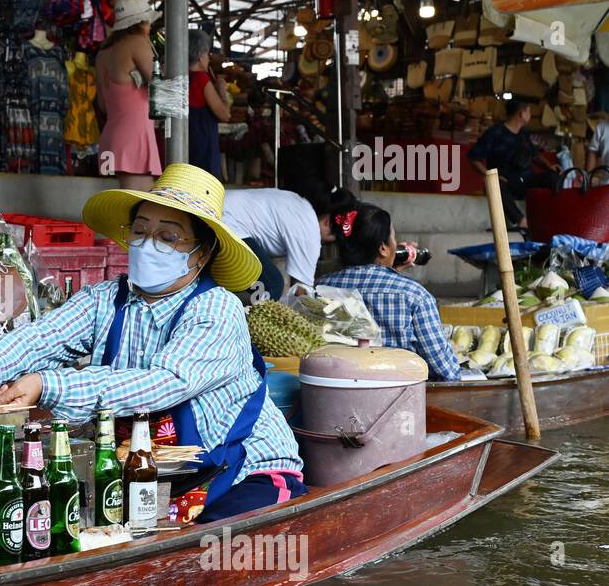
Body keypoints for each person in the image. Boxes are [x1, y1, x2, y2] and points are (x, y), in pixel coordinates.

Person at [0, 164, 305, 522]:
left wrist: (50, 385)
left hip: (242, 470)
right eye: (140, 230)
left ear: (200, 254)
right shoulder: (106, 299)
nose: (148, 243)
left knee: (205, 552)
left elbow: (164, 382)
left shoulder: (217, 309)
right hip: (153, 473)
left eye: (168, 237)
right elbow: (41, 337)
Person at [317, 203, 460, 381]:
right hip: (398, 400)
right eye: (393, 237)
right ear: (383, 248)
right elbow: (446, 371)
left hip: (334, 394)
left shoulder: (320, 288)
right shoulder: (414, 296)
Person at [222, 185, 357, 300]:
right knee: (272, 284)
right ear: (328, 223)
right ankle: (252, 326)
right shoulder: (309, 229)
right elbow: (300, 291)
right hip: (225, 222)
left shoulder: (298, 202)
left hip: (214, 206)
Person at [94, 0, 161, 191]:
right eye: (149, 23)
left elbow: (103, 105)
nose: (150, 28)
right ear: (141, 22)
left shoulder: (102, 53)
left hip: (110, 137)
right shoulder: (137, 43)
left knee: (114, 208)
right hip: (134, 137)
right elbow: (162, 89)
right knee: (136, 207)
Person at [467, 99, 550, 228]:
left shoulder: (524, 135)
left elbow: (536, 156)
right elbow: (473, 157)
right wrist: (490, 176)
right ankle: (522, 222)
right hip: (506, 183)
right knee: (496, 184)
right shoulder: (495, 133)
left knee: (552, 178)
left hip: (526, 181)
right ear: (521, 114)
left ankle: (551, 218)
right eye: (528, 111)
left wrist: (550, 167)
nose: (530, 115)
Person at [188, 28, 234, 181]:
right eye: (207, 54)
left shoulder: (182, 77)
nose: (208, 58)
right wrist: (222, 91)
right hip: (203, 145)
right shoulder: (201, 78)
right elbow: (224, 114)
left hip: (188, 144)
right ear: (200, 55)